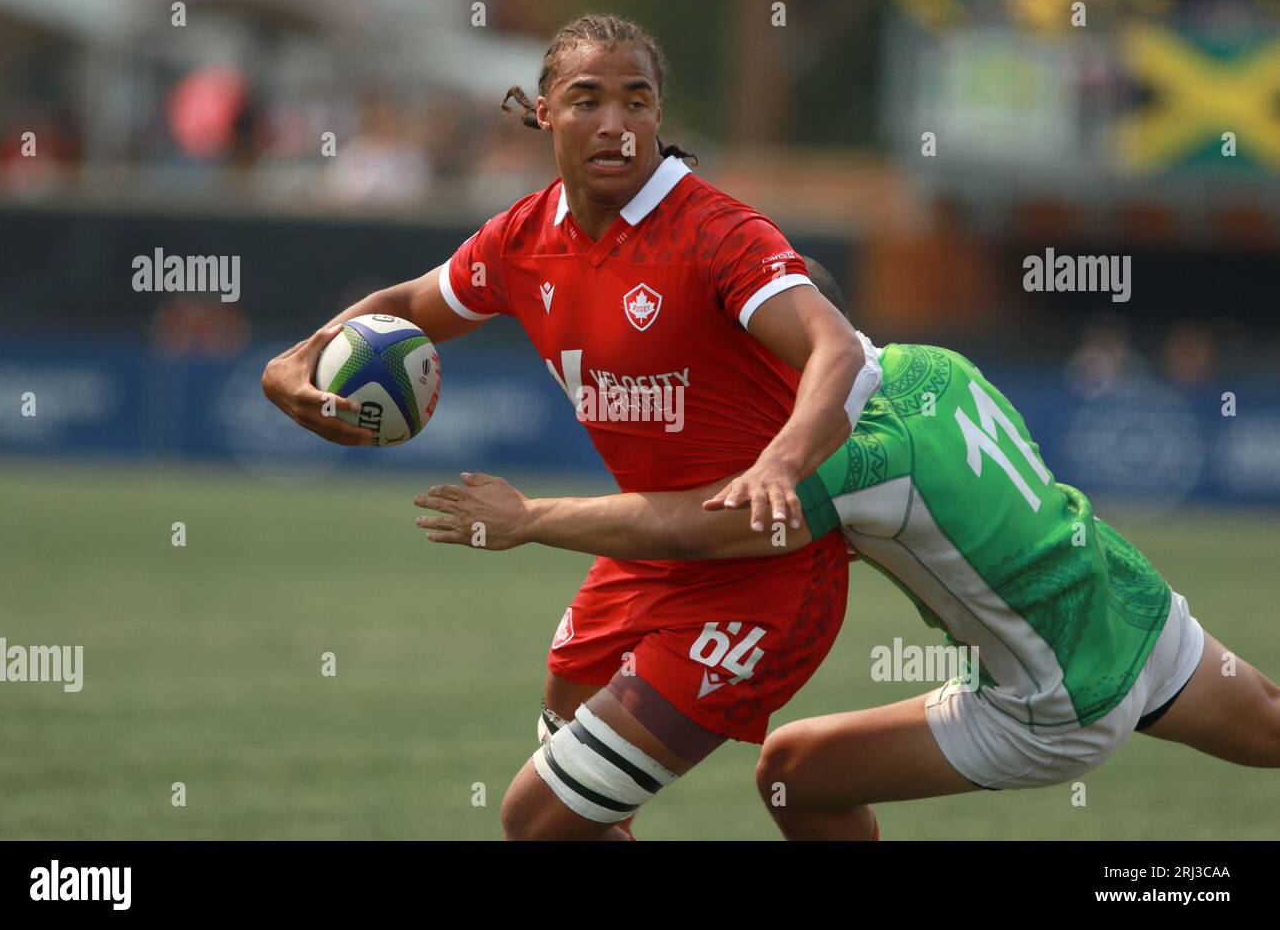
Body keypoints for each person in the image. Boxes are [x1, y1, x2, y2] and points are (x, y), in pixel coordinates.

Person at [262, 15, 881, 839]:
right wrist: (293, 361)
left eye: (638, 101)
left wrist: (781, 461)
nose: (616, 125)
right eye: (588, 100)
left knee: (536, 818)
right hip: (647, 549)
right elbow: (409, 306)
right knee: (576, 804)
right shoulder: (524, 239)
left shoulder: (718, 234)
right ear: (543, 112)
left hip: (765, 569)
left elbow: (840, 349)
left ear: (661, 117)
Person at [415, 263, 1280, 840]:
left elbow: (687, 530)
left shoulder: (840, 461)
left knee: (792, 771)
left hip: (1055, 704)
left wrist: (529, 516)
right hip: (1128, 600)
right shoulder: (932, 362)